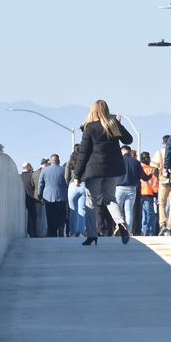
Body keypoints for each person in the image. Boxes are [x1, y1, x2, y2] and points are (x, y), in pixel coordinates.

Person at [72, 99, 133, 246]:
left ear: (93, 111)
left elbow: (83, 153)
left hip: (94, 170)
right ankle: (121, 223)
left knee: (91, 202)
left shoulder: (90, 128)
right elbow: (129, 140)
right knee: (110, 198)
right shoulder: (113, 126)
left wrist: (77, 175)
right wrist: (118, 123)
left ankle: (92, 235)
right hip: (113, 170)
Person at [114, 145, 149, 237]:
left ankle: (119, 227)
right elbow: (143, 176)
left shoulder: (118, 161)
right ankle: (128, 231)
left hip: (119, 188)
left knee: (118, 210)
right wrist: (150, 175)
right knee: (129, 211)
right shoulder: (136, 162)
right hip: (132, 189)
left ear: (122, 152)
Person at [151, 135, 171, 235]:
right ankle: (170, 227)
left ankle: (162, 225)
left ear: (163, 143)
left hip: (163, 182)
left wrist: (158, 177)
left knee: (161, 204)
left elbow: (153, 169)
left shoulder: (159, 153)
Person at [38, 154, 69, 237]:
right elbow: (67, 182)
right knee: (61, 215)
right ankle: (61, 228)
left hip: (48, 197)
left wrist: (39, 195)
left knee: (50, 216)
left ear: (50, 161)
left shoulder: (44, 170)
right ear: (58, 161)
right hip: (61, 196)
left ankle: (51, 233)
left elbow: (40, 184)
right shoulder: (64, 170)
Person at [65, 145, 87, 237]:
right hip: (84, 185)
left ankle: (72, 232)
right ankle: (81, 232)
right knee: (82, 209)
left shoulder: (70, 162)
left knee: (73, 210)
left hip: (72, 186)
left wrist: (69, 184)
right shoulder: (86, 161)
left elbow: (66, 176)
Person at [139, 151, 159, 236]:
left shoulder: (138, 167)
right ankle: (147, 231)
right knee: (150, 214)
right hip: (148, 194)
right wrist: (156, 193)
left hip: (139, 194)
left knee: (143, 214)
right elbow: (154, 184)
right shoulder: (151, 170)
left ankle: (143, 230)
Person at [19, 162, 38, 237]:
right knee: (32, 216)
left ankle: (26, 232)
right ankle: (33, 233)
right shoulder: (31, 176)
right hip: (31, 198)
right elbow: (34, 186)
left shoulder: (19, 176)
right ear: (29, 167)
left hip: (22, 199)